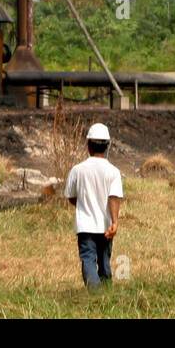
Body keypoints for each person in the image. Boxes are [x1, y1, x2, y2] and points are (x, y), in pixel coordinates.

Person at [64, 122, 124, 290]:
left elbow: (71, 196)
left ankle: (95, 294)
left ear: (88, 145)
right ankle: (106, 292)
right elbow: (114, 197)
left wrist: (83, 204)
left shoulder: (78, 170)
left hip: (85, 226)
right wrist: (114, 222)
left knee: (88, 259)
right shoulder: (113, 171)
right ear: (107, 146)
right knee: (104, 260)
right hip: (106, 226)